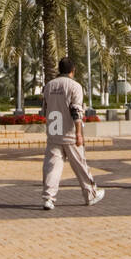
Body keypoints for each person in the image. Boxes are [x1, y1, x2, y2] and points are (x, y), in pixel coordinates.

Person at [40, 56, 105, 210]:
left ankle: (48, 198)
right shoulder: (74, 86)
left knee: (52, 167)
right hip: (69, 134)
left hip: (54, 133)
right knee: (80, 165)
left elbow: (44, 110)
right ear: (72, 70)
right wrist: (79, 133)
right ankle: (90, 194)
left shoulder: (49, 86)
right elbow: (76, 111)